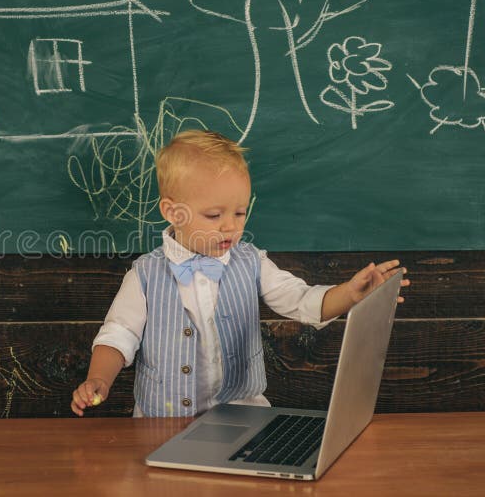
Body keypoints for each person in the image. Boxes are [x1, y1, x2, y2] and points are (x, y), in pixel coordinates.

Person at [70, 130, 409, 417]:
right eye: (214, 215)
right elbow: (118, 335)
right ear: (173, 212)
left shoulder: (251, 262)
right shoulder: (144, 275)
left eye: (240, 213)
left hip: (244, 418)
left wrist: (350, 294)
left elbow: (300, 299)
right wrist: (99, 378)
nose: (230, 227)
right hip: (163, 421)